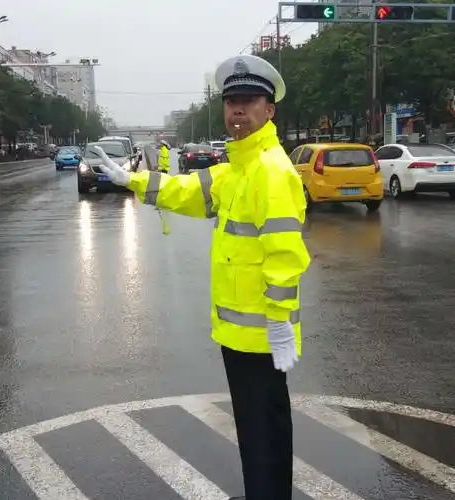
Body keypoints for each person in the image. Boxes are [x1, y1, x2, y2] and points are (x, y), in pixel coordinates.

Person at [94, 54, 309, 500]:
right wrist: (131, 180)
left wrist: (280, 321)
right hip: (239, 331)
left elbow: (286, 254)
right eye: (231, 101)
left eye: (249, 101)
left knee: (264, 433)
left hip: (261, 333)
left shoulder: (269, 170)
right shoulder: (239, 168)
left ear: (269, 110)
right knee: (254, 431)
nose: (237, 109)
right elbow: (187, 191)